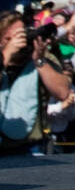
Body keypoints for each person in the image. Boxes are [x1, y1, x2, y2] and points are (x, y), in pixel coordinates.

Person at [0, 11, 71, 153]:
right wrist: (6, 55)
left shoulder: (42, 58)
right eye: (10, 38)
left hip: (31, 145)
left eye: (21, 36)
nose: (18, 42)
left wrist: (39, 61)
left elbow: (63, 93)